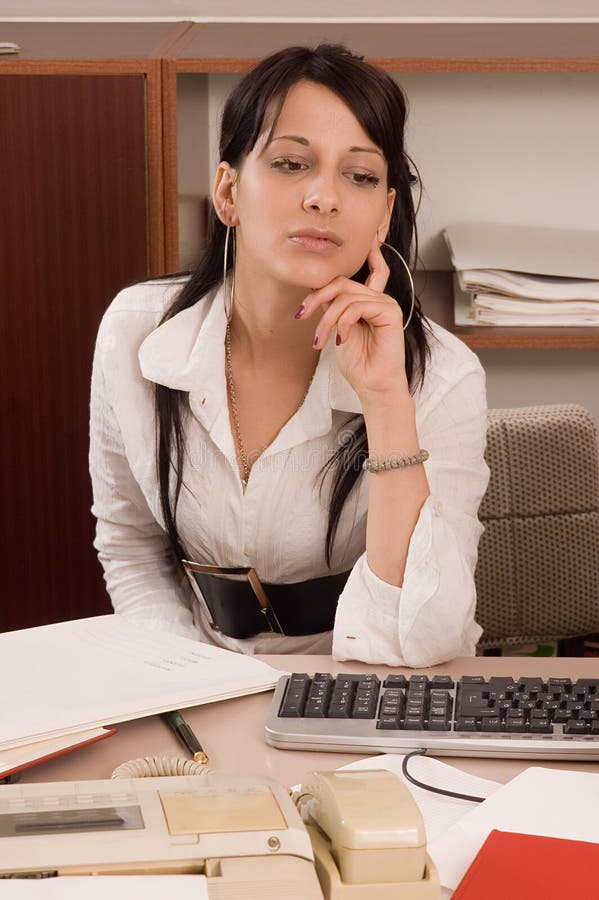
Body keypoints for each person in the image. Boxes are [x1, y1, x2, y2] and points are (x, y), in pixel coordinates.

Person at [89, 43, 489, 667]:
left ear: (383, 215)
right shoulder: (135, 332)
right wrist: (187, 683)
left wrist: (385, 400)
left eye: (359, 176)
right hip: (195, 677)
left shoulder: (444, 375)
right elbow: (131, 547)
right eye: (290, 163)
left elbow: (425, 636)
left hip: (371, 683)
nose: (323, 198)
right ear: (227, 192)